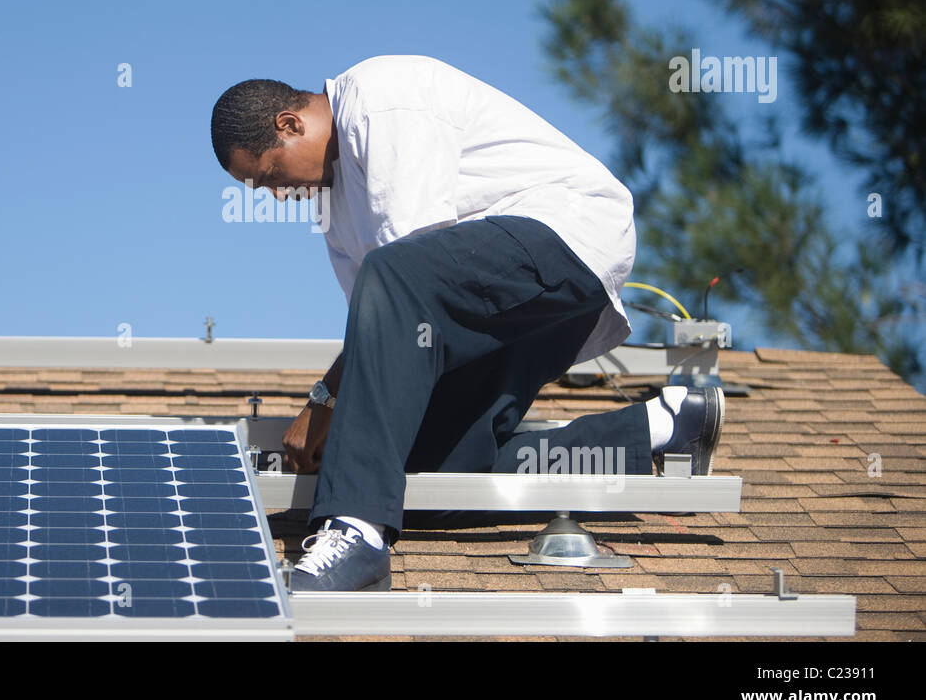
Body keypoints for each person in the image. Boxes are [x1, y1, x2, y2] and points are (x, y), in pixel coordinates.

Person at [210, 54, 724, 591]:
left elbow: (407, 266)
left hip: (565, 235)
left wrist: (326, 404)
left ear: (289, 125)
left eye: (270, 173)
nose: (276, 193)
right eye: (261, 189)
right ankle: (664, 425)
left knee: (394, 274)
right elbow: (380, 330)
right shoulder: (335, 210)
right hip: (515, 305)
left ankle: (355, 529)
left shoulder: (381, 97)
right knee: (427, 482)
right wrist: (324, 402)